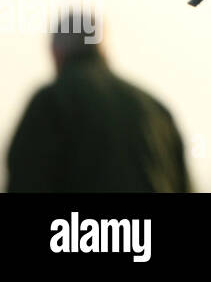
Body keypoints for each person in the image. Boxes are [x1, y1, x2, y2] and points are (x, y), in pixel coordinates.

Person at [7, 11, 190, 192]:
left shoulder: (50, 103)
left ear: (55, 51)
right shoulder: (156, 109)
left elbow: (25, 180)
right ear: (103, 47)